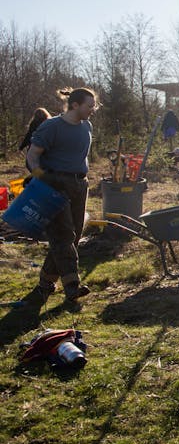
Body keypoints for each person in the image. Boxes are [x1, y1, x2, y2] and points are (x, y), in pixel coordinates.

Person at [26, 87, 97, 304]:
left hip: (79, 184)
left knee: (72, 235)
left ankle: (45, 283)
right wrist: (42, 179)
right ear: (75, 105)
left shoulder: (87, 126)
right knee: (63, 235)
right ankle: (72, 286)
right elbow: (32, 155)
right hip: (55, 184)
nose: (93, 110)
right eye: (89, 105)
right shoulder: (52, 126)